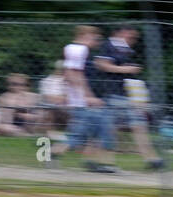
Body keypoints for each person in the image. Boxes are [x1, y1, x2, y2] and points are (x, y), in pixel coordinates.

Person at [94, 24, 163, 170]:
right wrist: (126, 69)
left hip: (126, 93)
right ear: (122, 32)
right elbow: (102, 65)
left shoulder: (125, 48)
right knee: (112, 129)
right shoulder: (108, 45)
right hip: (112, 93)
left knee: (138, 125)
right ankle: (103, 162)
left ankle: (152, 160)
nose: (133, 40)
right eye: (131, 36)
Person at [56, 25, 116, 173]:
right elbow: (72, 74)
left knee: (96, 129)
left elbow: (71, 75)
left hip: (81, 99)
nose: (97, 42)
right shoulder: (79, 49)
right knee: (81, 134)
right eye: (96, 38)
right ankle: (53, 152)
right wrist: (87, 96)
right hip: (81, 101)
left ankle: (95, 162)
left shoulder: (78, 50)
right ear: (86, 35)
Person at [38, 63, 70, 138]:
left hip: (68, 107)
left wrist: (61, 98)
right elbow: (49, 98)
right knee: (50, 111)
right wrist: (63, 98)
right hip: (52, 107)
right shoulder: (47, 81)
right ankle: (51, 135)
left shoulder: (70, 81)